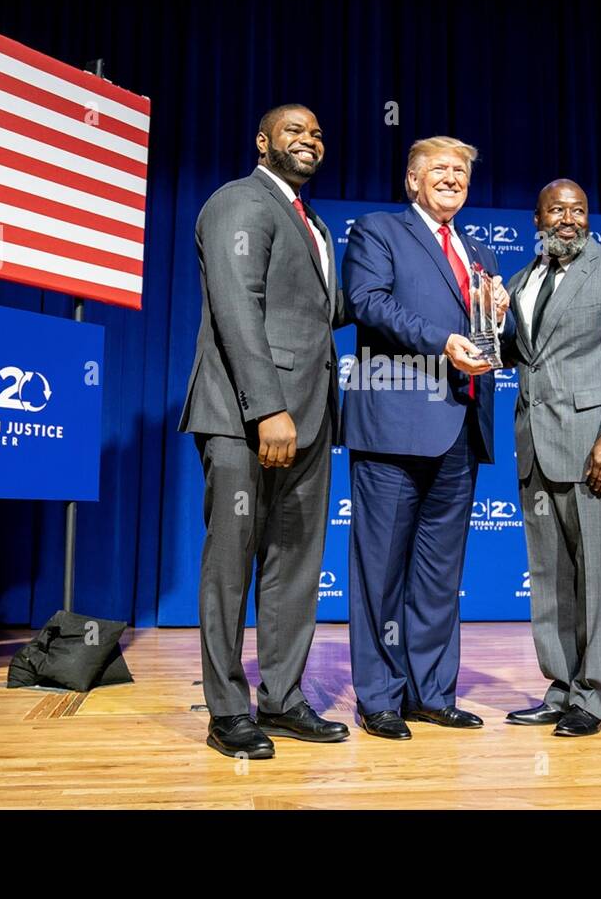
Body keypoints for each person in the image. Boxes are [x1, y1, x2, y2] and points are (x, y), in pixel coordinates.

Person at [178, 104, 350, 758]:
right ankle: (228, 711)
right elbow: (236, 305)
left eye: (317, 131)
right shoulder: (239, 201)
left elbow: (324, 313)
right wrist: (264, 409)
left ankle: (281, 700)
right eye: (294, 131)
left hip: (309, 420)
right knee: (230, 566)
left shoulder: (315, 226)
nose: (309, 138)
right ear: (262, 142)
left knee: (294, 567)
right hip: (246, 419)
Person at [341, 136, 512, 740]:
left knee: (440, 576)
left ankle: (431, 693)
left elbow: (492, 342)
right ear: (412, 181)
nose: (450, 178)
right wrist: (444, 342)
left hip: (460, 430)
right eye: (438, 169)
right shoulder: (378, 231)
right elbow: (368, 303)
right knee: (380, 573)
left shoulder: (478, 252)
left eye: (460, 170)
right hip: (393, 427)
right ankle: (380, 697)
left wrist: (497, 312)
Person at [502, 179, 601, 737]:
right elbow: (515, 353)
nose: (568, 219)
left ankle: (592, 699)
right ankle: (560, 686)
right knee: (549, 578)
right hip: (536, 448)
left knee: (596, 578)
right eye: (556, 209)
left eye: (578, 210)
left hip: (595, 449)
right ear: (537, 217)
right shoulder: (521, 280)